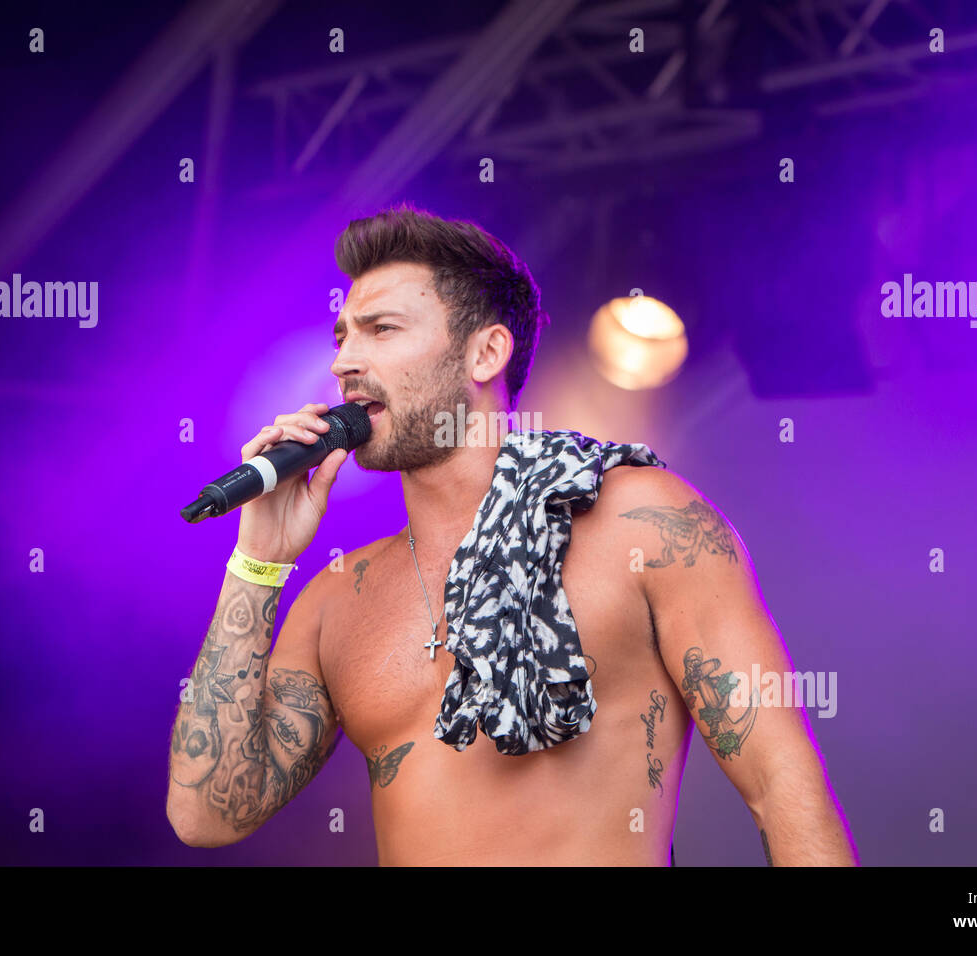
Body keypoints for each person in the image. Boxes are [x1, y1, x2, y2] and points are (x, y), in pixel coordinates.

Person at [166, 204, 858, 866]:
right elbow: (206, 815)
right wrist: (257, 561)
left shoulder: (644, 523)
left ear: (486, 351)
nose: (345, 361)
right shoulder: (336, 600)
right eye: (343, 335)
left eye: (382, 330)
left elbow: (784, 790)